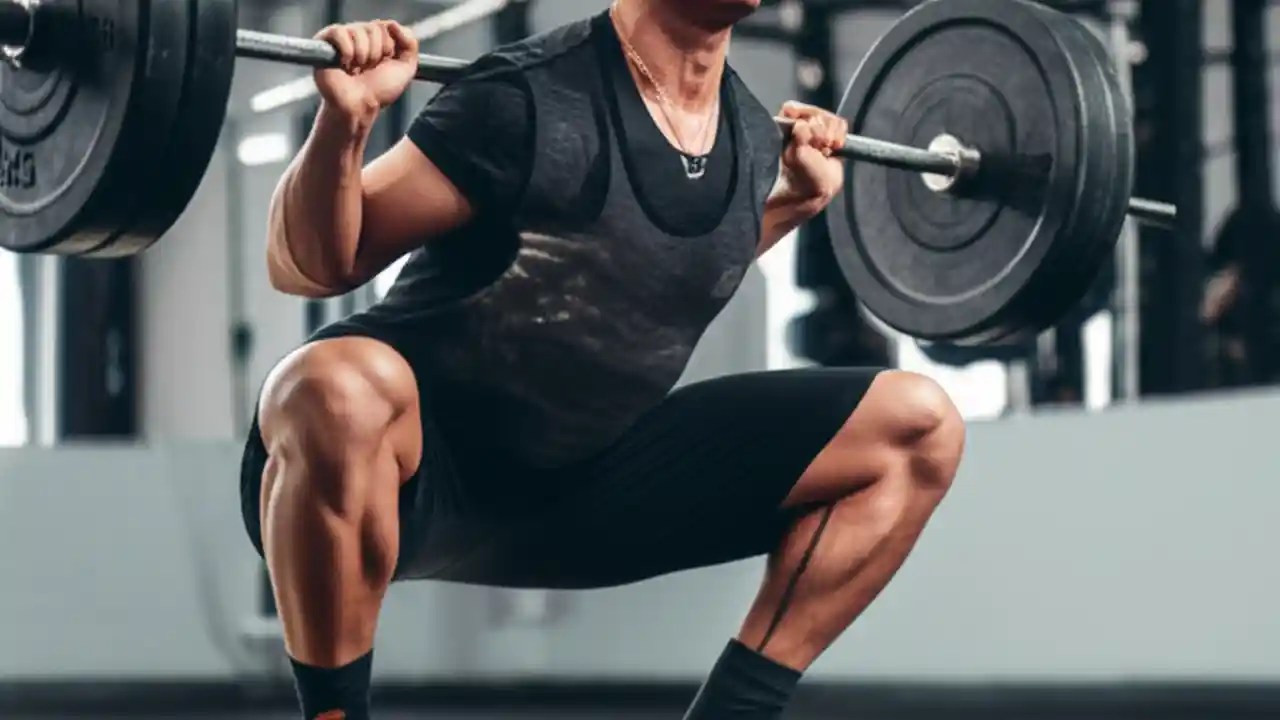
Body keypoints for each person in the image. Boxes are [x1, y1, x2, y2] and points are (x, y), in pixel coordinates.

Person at [242, 1, 965, 718]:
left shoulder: (747, 135)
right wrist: (346, 124)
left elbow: (654, 275)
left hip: (586, 482)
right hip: (414, 476)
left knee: (916, 426)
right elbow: (306, 267)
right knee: (331, 385)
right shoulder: (528, 99)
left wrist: (791, 204)